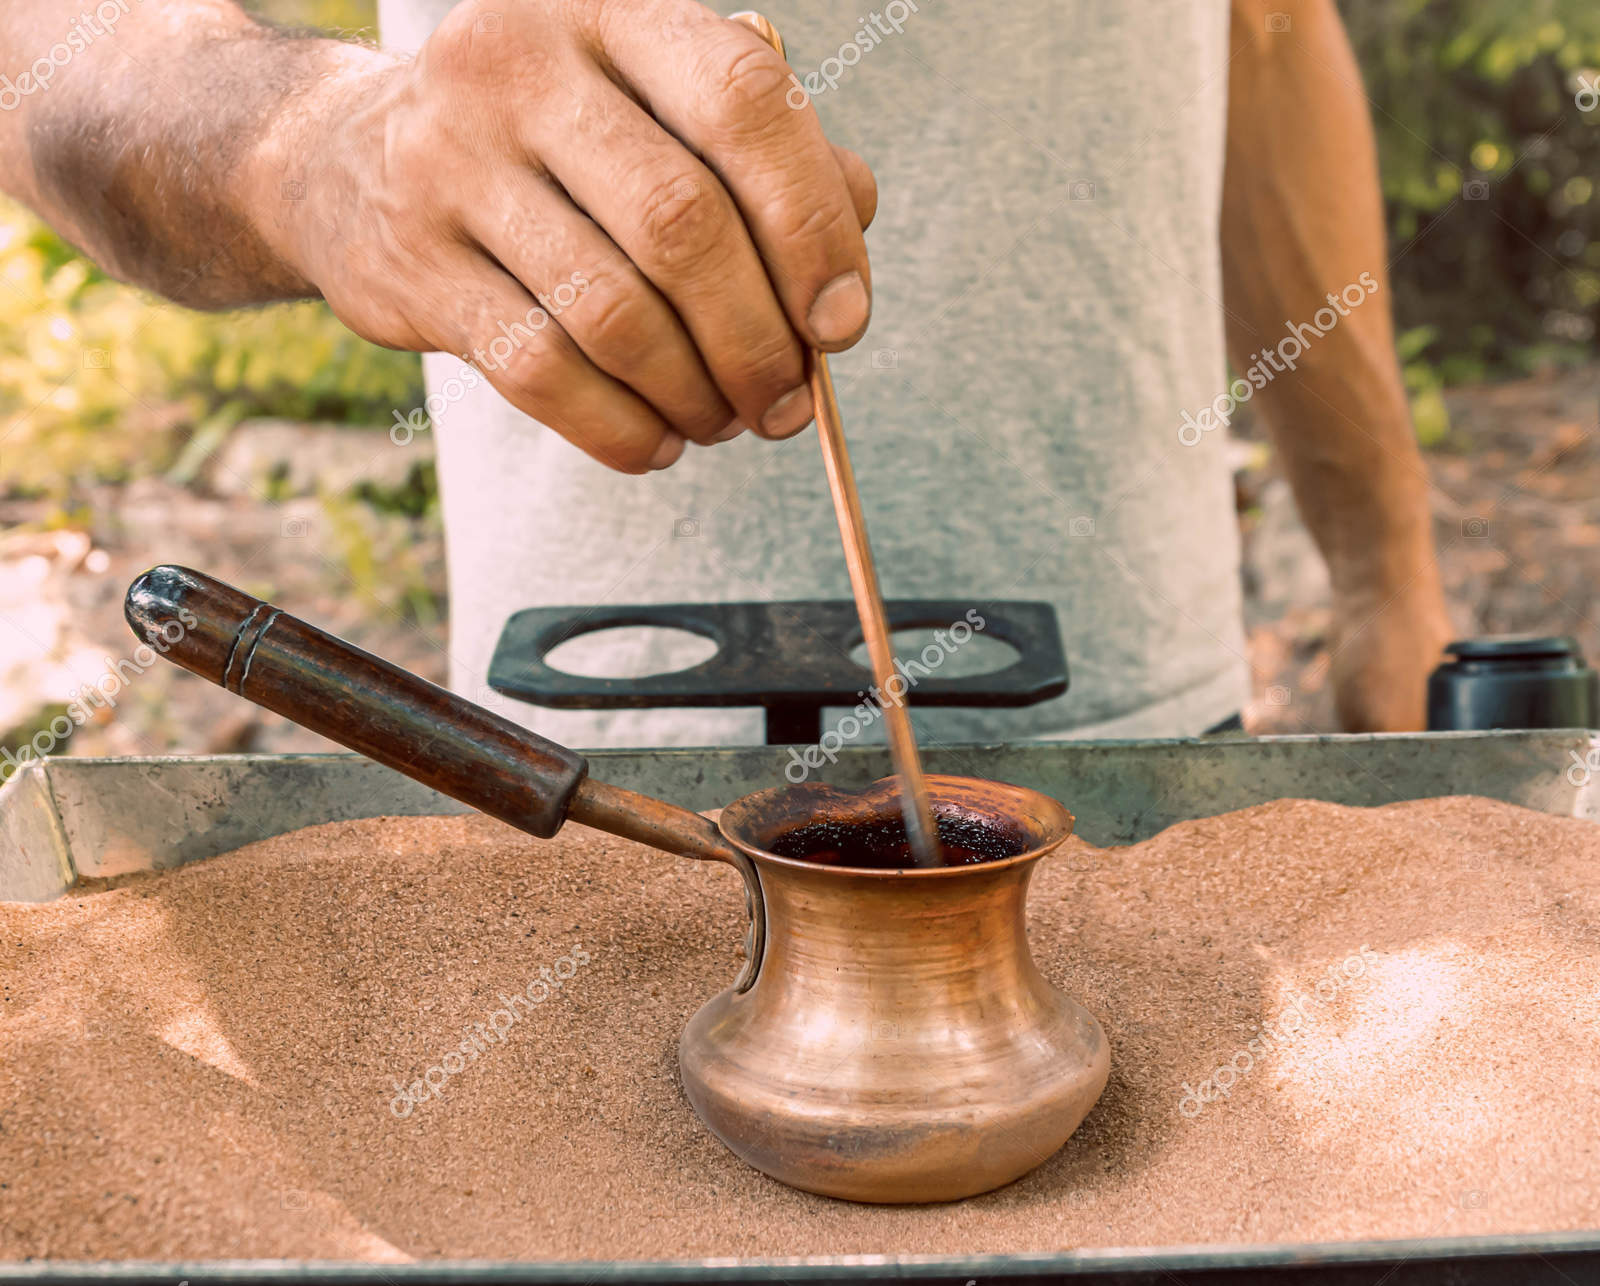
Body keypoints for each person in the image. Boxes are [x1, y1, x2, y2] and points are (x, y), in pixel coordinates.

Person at [0, 0, 1450, 745]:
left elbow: (1262, 33)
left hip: (1152, 716)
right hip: (594, 756)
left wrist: (1387, 570)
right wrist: (316, 146)